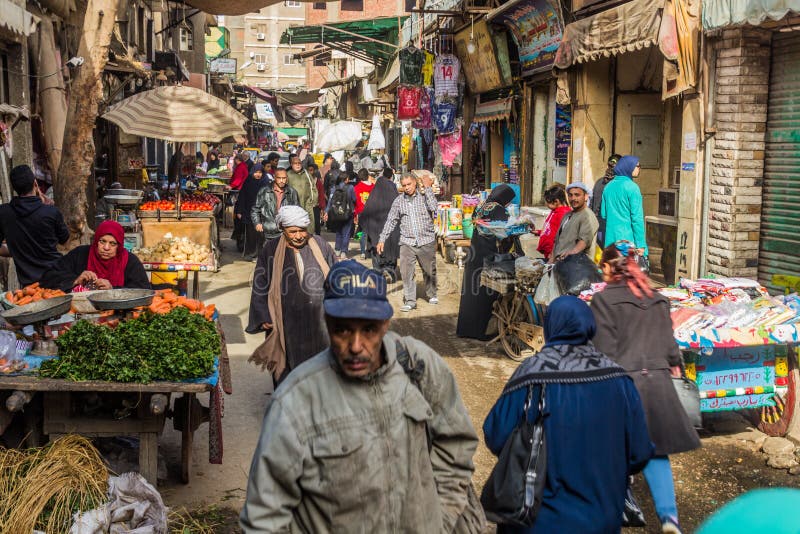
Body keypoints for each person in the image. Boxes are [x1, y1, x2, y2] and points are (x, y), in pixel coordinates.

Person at [241, 260, 484, 533]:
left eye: (368, 330)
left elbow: (456, 445)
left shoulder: (420, 367)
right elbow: (265, 517)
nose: (356, 346)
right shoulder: (295, 401)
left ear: (385, 324)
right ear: (326, 322)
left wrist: (441, 518)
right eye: (342, 329)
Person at [483, 295, 653, 534]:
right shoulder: (619, 378)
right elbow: (640, 452)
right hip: (600, 520)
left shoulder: (531, 375)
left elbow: (495, 434)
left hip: (536, 520)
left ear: (551, 326)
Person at [592, 242, 701, 534]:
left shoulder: (603, 302)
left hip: (624, 386)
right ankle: (669, 519)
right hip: (658, 387)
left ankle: (610, 514)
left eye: (601, 267)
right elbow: (670, 351)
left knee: (612, 452)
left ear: (608, 267)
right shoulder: (657, 299)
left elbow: (604, 352)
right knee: (656, 453)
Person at [246, 206, 336, 384]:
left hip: (319, 320)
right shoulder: (271, 249)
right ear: (282, 229)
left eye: (302, 230)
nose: (299, 235)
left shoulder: (320, 244)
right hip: (285, 321)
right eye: (293, 231)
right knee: (286, 369)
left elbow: (336, 275)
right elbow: (260, 284)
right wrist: (263, 314)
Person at [456, 184, 516, 340]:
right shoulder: (499, 209)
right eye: (509, 201)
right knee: (486, 293)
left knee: (471, 292)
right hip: (489, 257)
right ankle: (482, 332)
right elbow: (503, 233)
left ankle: (466, 329)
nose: (509, 204)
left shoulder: (480, 206)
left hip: (475, 254)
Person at [0, 165, 69, 287]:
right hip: (57, 278)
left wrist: (19, 251)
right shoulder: (51, 212)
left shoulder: (4, 213)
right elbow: (64, 239)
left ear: (14, 188)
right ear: (35, 183)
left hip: (29, 286)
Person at [377, 173, 438, 312]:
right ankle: (410, 300)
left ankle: (431, 293)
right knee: (406, 272)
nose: (407, 188)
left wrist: (428, 188)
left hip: (426, 240)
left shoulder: (424, 197)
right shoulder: (398, 201)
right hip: (407, 241)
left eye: (409, 184)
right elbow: (391, 221)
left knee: (429, 270)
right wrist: (382, 239)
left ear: (415, 183)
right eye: (404, 185)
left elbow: (434, 208)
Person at [41, 220, 150, 292]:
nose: (106, 248)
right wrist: (75, 280)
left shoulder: (129, 261)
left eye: (112, 243)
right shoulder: (80, 254)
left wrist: (113, 289)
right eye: (102, 241)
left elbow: (143, 290)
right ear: (96, 241)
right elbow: (48, 277)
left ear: (119, 246)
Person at [601, 155, 648, 256]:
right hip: (627, 242)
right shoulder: (633, 188)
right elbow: (637, 219)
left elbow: (603, 214)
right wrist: (641, 244)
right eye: (638, 166)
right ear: (629, 167)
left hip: (610, 241)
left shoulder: (608, 187)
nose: (639, 169)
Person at [360, 166, 400, 282]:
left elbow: (366, 212)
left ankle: (377, 274)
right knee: (391, 249)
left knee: (376, 248)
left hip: (376, 229)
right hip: (391, 229)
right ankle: (390, 273)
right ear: (391, 176)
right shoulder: (392, 189)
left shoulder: (375, 191)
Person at [550, 182, 599, 262]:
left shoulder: (587, 216)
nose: (573, 198)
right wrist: (550, 261)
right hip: (560, 264)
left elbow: (584, 240)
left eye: (577, 195)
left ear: (586, 197)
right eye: (570, 195)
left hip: (577, 266)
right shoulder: (567, 215)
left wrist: (571, 253)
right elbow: (557, 241)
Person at [251, 167, 300, 246]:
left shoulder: (292, 192)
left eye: (284, 178)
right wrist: (257, 223)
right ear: (274, 177)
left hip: (285, 231)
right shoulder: (264, 191)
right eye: (279, 178)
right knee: (269, 256)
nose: (281, 181)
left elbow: (297, 211)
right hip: (268, 231)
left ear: (287, 178)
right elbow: (255, 210)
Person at [236, 164, 270, 261]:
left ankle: (260, 254)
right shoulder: (248, 181)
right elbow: (242, 196)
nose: (258, 175)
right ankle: (251, 253)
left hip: (262, 212)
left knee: (261, 234)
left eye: (260, 172)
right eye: (256, 172)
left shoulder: (266, 182)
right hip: (249, 211)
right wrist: (239, 210)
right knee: (250, 233)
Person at [592, 154, 621, 250]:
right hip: (609, 227)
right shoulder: (617, 184)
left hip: (597, 225)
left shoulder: (600, 181)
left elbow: (592, 204)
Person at [535, 184, 570, 259]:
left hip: (554, 253)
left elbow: (563, 236)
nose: (546, 204)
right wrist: (538, 232)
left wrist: (553, 253)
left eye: (548, 202)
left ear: (556, 201)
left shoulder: (563, 214)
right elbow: (551, 229)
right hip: (548, 251)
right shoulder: (554, 211)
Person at [325, 173, 356, 258]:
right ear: (346, 179)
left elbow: (330, 201)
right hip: (347, 213)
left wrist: (326, 212)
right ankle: (344, 252)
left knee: (338, 232)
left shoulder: (334, 188)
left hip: (336, 213)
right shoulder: (350, 188)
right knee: (346, 233)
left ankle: (337, 250)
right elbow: (354, 199)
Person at [287, 154, 317, 229]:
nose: (297, 165)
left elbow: (313, 187)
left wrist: (313, 201)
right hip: (293, 205)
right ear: (291, 164)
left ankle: (309, 238)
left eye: (299, 163)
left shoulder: (307, 174)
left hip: (307, 204)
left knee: (309, 225)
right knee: (295, 225)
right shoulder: (288, 174)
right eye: (295, 163)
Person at [353, 168, 375, 259]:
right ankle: (370, 250)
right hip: (373, 212)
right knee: (372, 232)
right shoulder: (374, 187)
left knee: (362, 232)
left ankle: (362, 252)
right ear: (368, 176)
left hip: (361, 212)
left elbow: (355, 202)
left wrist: (355, 215)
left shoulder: (356, 188)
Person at [309, 163, 326, 235]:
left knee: (316, 221)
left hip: (316, 205)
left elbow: (321, 194)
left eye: (311, 170)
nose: (310, 172)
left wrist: (322, 206)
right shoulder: (305, 180)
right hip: (307, 204)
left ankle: (317, 236)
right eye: (309, 170)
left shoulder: (317, 181)